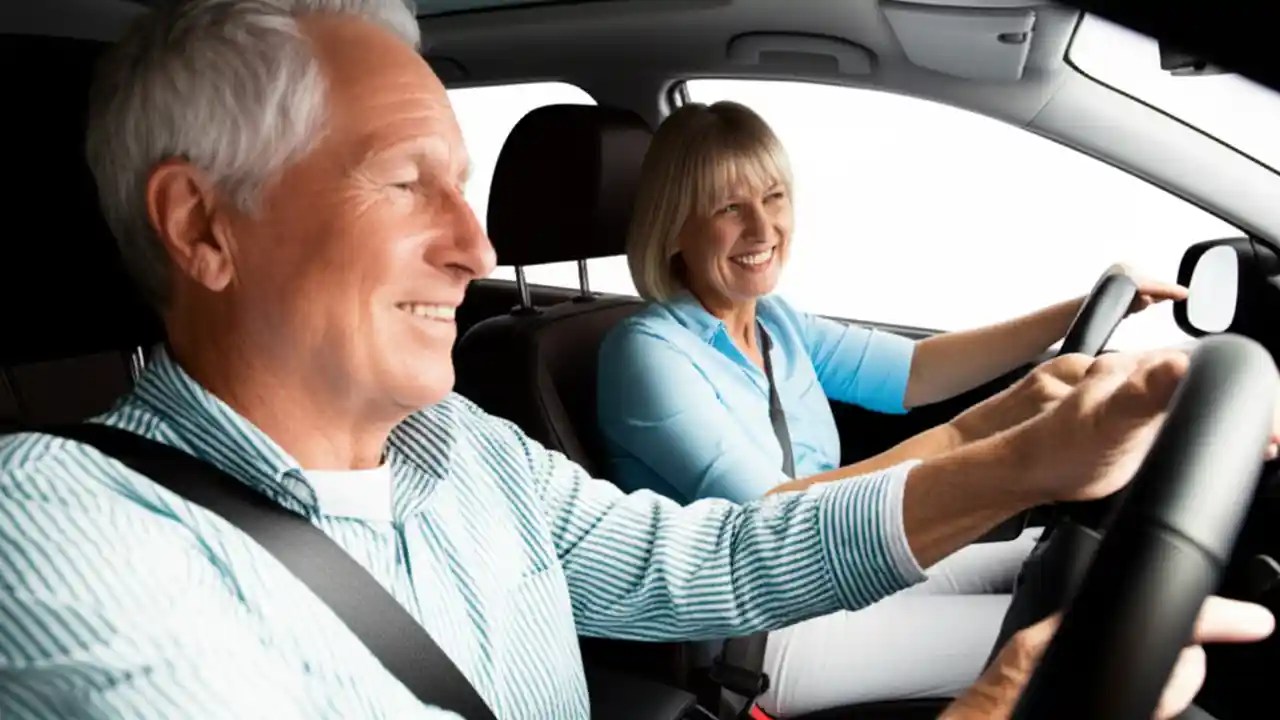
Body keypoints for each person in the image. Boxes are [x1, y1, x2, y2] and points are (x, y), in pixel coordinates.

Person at [0, 2, 1267, 719]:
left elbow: (705, 558)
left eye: (468, 184)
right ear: (205, 227)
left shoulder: (464, 448)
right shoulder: (48, 525)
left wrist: (1026, 457)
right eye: (404, 183)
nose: (478, 243)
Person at [595, 100, 1188, 714]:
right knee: (1095, 637)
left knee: (1093, 566)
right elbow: (772, 513)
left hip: (832, 565)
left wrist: (1081, 307)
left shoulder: (776, 323)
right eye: (728, 208)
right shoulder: (647, 353)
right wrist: (988, 429)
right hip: (760, 630)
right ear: (674, 226)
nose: (763, 229)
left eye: (773, 198)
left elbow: (916, 371)